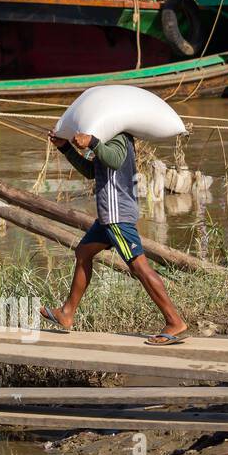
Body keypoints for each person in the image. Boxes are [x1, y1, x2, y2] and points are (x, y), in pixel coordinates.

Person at [42, 130, 188, 345]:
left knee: (139, 267)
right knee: (83, 253)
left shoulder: (118, 137)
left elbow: (115, 160)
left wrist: (92, 142)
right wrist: (65, 148)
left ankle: (174, 321)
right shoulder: (108, 136)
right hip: (106, 217)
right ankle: (67, 312)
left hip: (117, 216)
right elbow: (92, 171)